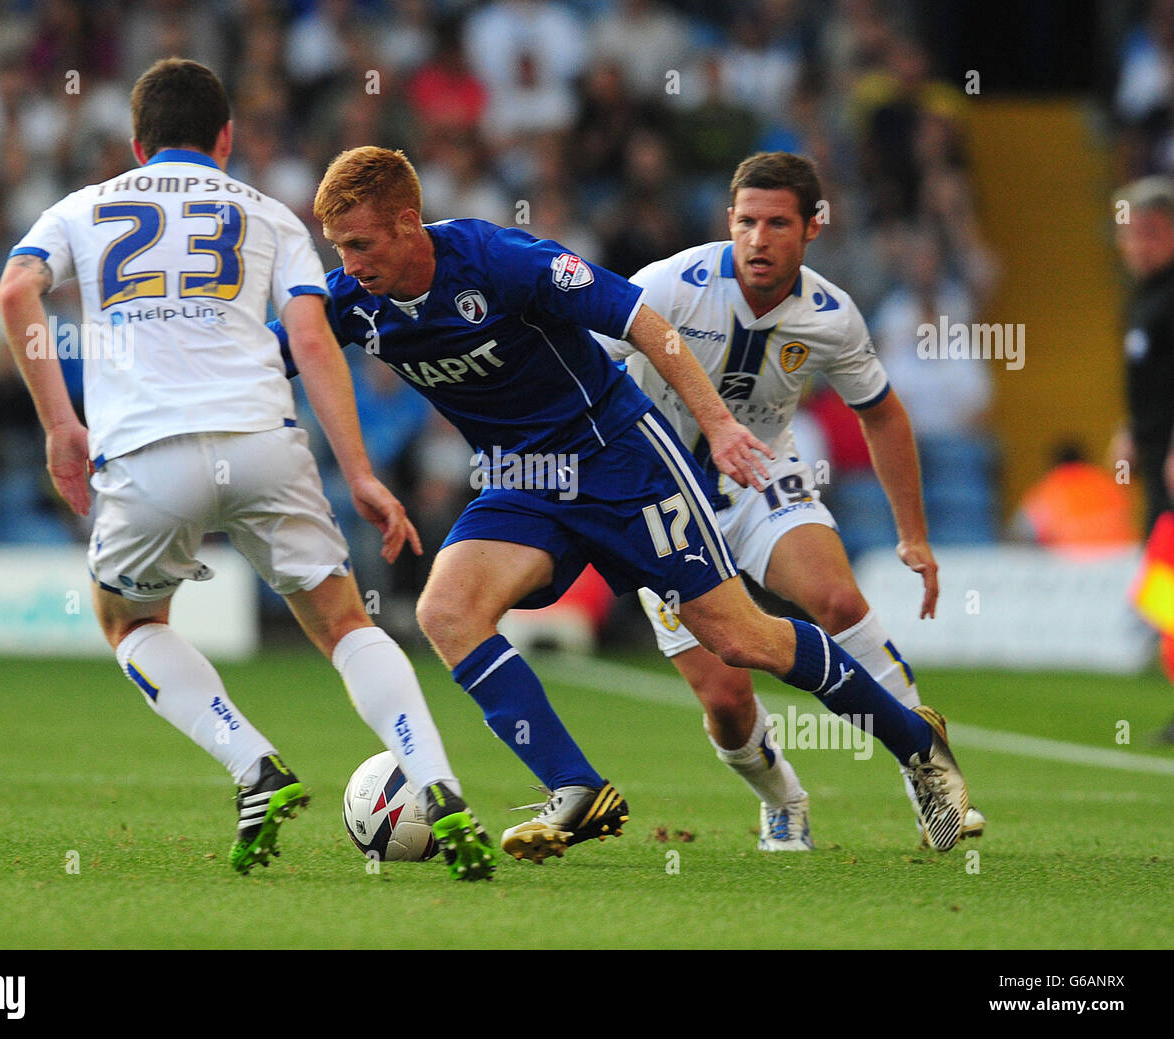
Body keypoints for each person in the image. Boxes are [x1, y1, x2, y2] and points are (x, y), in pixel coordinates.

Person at [275, 145, 971, 861]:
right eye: (338, 248)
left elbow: (644, 321)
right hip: (525, 477)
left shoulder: (499, 258)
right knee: (445, 610)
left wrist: (720, 422)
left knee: (742, 639)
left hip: (619, 458)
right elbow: (270, 356)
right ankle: (577, 787)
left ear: (408, 223)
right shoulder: (353, 302)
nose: (349, 263)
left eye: (360, 244)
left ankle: (917, 742)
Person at [0, 59, 494, 880]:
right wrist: (362, 472)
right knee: (344, 625)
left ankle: (254, 763)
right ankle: (437, 778)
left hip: (148, 455)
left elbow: (18, 292)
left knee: (132, 624)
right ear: (225, 139)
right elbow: (309, 340)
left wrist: (60, 425)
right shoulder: (269, 215)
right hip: (264, 441)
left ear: (135, 142)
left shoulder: (80, 209)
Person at [595, 151, 985, 849]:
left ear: (813, 228)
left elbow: (884, 414)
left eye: (778, 223)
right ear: (729, 222)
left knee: (836, 598)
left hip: (763, 477)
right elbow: (585, 365)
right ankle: (783, 796)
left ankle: (926, 771)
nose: (758, 239)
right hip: (662, 502)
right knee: (725, 697)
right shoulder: (670, 287)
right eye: (746, 221)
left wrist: (913, 534)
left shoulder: (832, 316)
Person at [1113, 174, 1174, 741]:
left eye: (1146, 233)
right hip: (1155, 457)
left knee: (1169, 578)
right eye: (1128, 235)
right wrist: (1133, 428)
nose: (1134, 245)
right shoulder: (1145, 297)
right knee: (1163, 584)